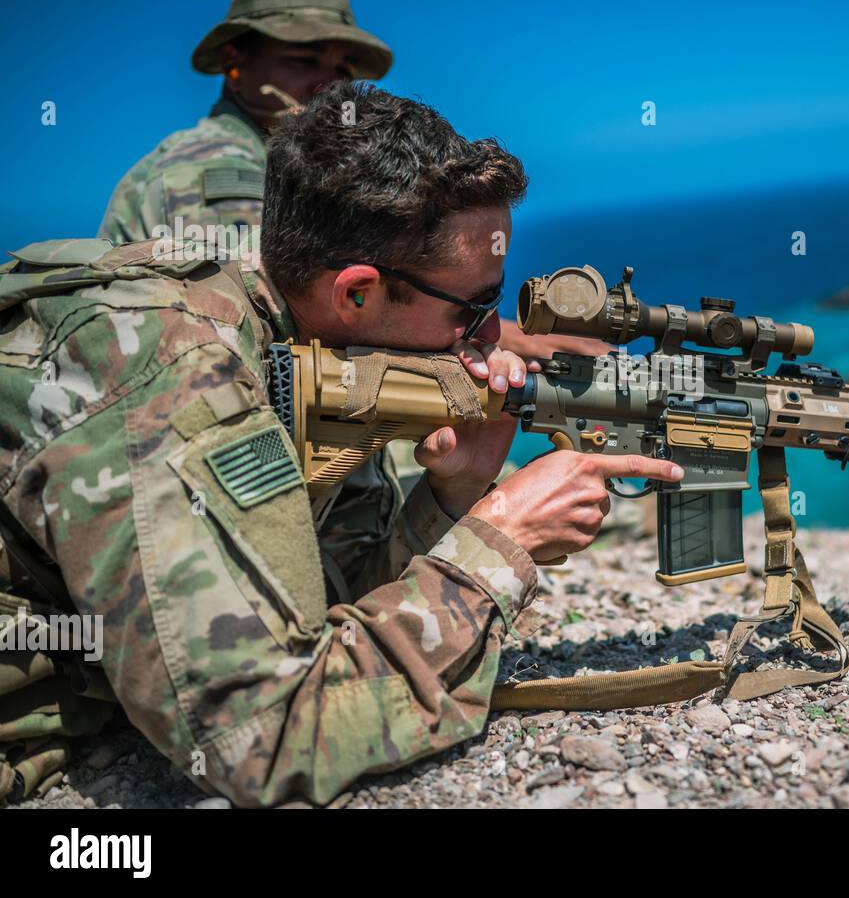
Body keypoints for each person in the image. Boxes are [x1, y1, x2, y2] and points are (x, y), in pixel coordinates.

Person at [0, 82, 683, 807]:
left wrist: (453, 496)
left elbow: (318, 602)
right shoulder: (177, 373)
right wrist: (497, 542)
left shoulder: (299, 350)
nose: (490, 336)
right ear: (356, 292)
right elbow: (260, 741)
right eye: (474, 307)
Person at [97, 0, 594, 363]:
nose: (327, 86)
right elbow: (297, 313)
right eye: (303, 61)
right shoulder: (211, 167)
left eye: (341, 69)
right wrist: (493, 333)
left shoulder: (281, 163)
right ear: (235, 61)